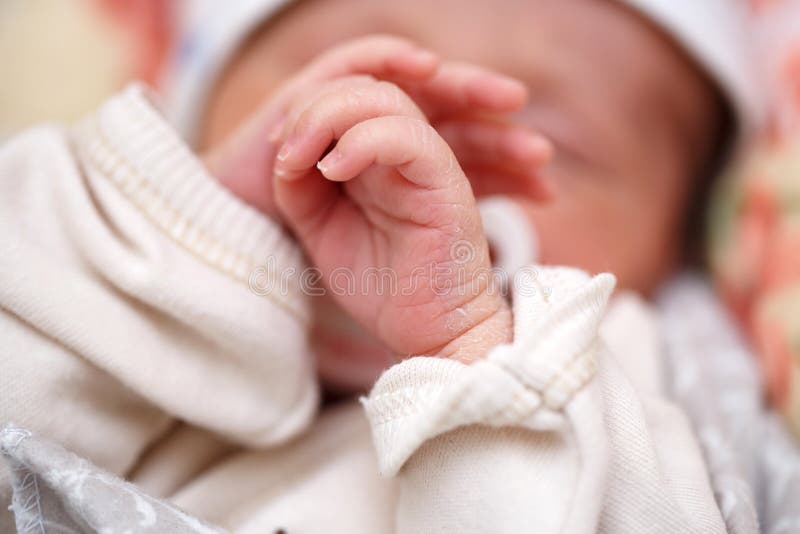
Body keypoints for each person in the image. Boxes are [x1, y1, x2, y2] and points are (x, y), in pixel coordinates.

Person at [0, 1, 757, 532]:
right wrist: (182, 234)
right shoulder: (82, 233)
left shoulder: (630, 378)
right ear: (197, 114)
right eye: (347, 88)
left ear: (676, 248)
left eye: (548, 140)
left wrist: (474, 355)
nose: (415, 154)